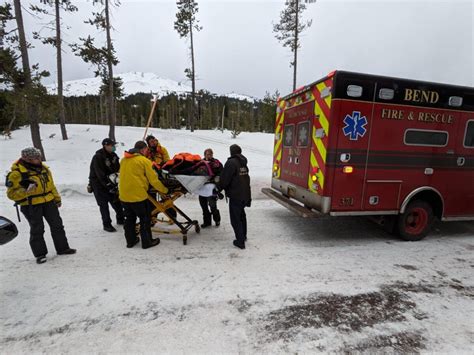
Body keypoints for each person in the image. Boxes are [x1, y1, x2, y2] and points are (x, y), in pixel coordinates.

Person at [6, 147, 76, 264]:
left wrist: (57, 198)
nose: (39, 159)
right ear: (27, 159)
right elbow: (11, 194)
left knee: (57, 225)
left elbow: (51, 185)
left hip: (48, 201)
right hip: (31, 205)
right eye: (36, 158)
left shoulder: (44, 169)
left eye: (39, 156)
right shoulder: (16, 174)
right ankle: (40, 254)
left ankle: (63, 248)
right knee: (37, 229)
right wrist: (26, 191)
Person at [119, 141, 169, 249]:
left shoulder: (123, 160)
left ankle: (130, 241)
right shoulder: (144, 161)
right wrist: (165, 190)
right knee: (145, 219)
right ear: (142, 150)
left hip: (124, 195)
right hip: (138, 196)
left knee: (129, 219)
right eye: (146, 150)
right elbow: (154, 181)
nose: (147, 151)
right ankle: (147, 242)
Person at [216, 144, 251, 249]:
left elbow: (225, 179)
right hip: (245, 193)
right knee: (241, 216)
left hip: (236, 194)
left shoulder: (231, 163)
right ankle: (243, 236)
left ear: (231, 152)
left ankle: (240, 242)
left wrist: (218, 188)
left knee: (235, 219)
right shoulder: (243, 162)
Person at [89, 138, 124, 232]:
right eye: (112, 145)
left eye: (114, 145)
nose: (114, 147)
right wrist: (108, 185)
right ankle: (107, 224)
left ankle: (121, 219)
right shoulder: (98, 157)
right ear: (106, 145)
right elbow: (99, 174)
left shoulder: (114, 156)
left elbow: (118, 169)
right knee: (103, 205)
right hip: (99, 185)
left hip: (112, 182)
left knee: (117, 202)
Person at [199, 148, 223, 228]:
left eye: (211, 154)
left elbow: (221, 173)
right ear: (204, 155)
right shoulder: (200, 163)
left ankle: (217, 220)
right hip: (202, 188)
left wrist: (217, 181)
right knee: (204, 206)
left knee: (212, 206)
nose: (209, 155)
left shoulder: (216, 163)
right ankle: (207, 222)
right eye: (208, 154)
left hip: (212, 188)